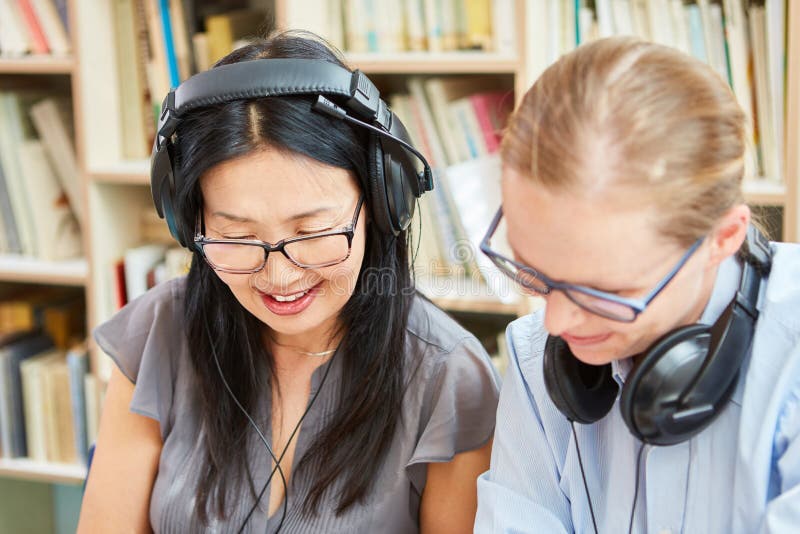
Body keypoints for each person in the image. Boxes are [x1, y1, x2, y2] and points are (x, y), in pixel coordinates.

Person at [78, 32, 499, 533]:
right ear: (189, 224)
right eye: (236, 236)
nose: (280, 276)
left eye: (312, 232)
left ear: (383, 203)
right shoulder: (158, 331)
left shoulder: (448, 376)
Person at [475, 36, 800, 533]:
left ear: (723, 237)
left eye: (602, 291)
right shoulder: (531, 353)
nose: (556, 320)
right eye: (532, 269)